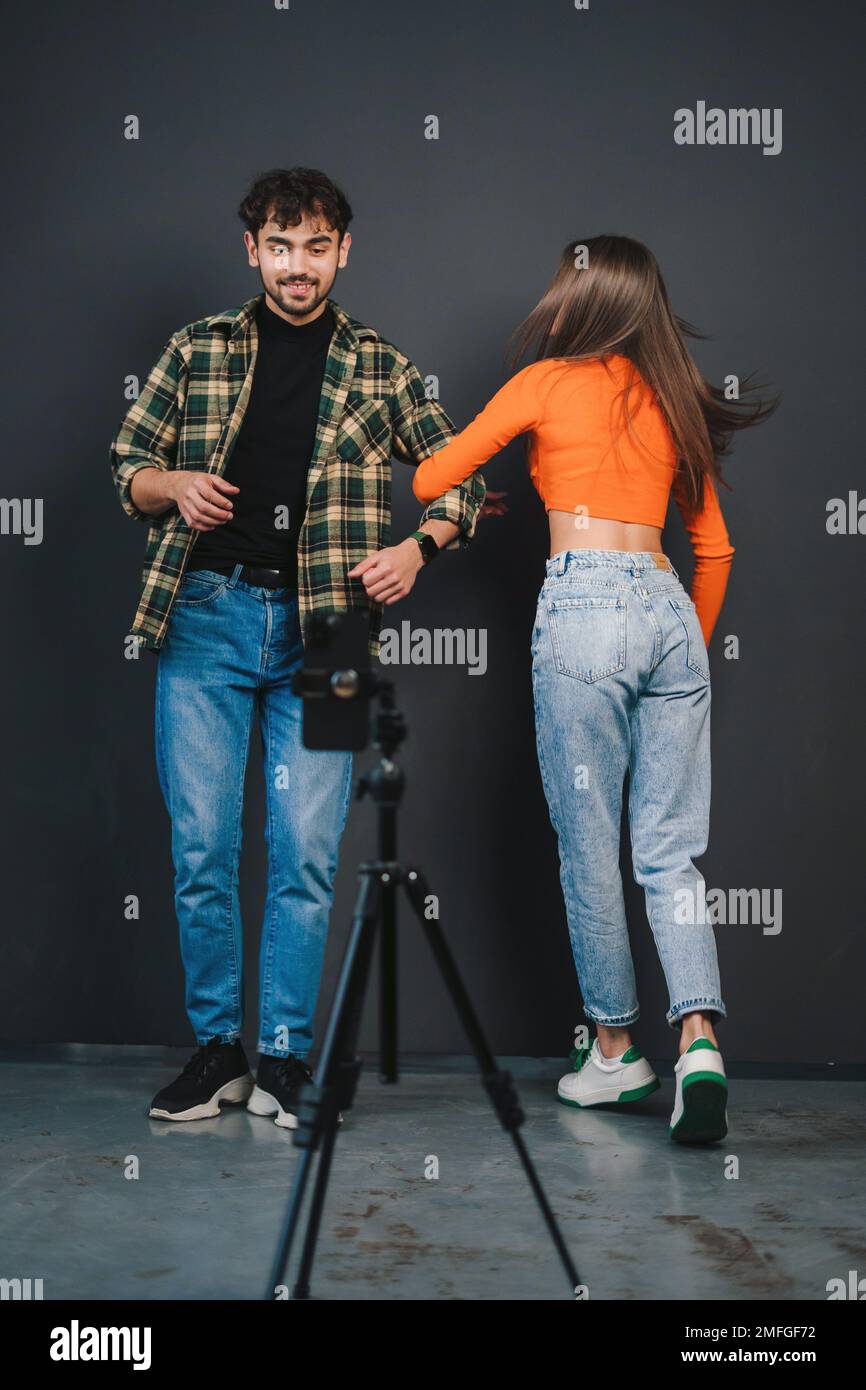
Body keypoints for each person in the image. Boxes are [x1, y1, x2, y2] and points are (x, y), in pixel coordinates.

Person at [109, 167, 485, 1126]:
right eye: (280, 247)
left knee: (307, 854)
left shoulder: (384, 367)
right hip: (205, 613)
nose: (297, 267)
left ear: (342, 251)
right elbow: (128, 466)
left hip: (332, 629)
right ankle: (218, 1054)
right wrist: (174, 487)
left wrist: (418, 544)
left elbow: (463, 480)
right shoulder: (197, 349)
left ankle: (283, 1061)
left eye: (315, 247)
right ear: (252, 250)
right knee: (202, 848)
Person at [413, 234, 776, 1144]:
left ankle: (613, 1053)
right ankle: (698, 1042)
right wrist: (680, 650)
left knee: (590, 849)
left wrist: (504, 494)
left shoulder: (545, 383)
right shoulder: (679, 401)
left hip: (583, 609)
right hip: (667, 613)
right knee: (669, 855)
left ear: (579, 298)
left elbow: (428, 477)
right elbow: (717, 551)